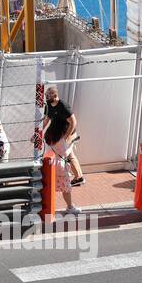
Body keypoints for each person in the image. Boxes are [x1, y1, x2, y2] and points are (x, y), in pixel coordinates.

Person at [42, 85, 83, 214]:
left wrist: (67, 137)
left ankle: (79, 177)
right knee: (69, 157)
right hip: (60, 152)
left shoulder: (63, 106)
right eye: (46, 96)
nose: (46, 98)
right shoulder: (48, 107)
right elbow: (46, 120)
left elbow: (73, 122)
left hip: (61, 139)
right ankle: (70, 205)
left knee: (70, 155)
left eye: (48, 96)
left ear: (55, 96)